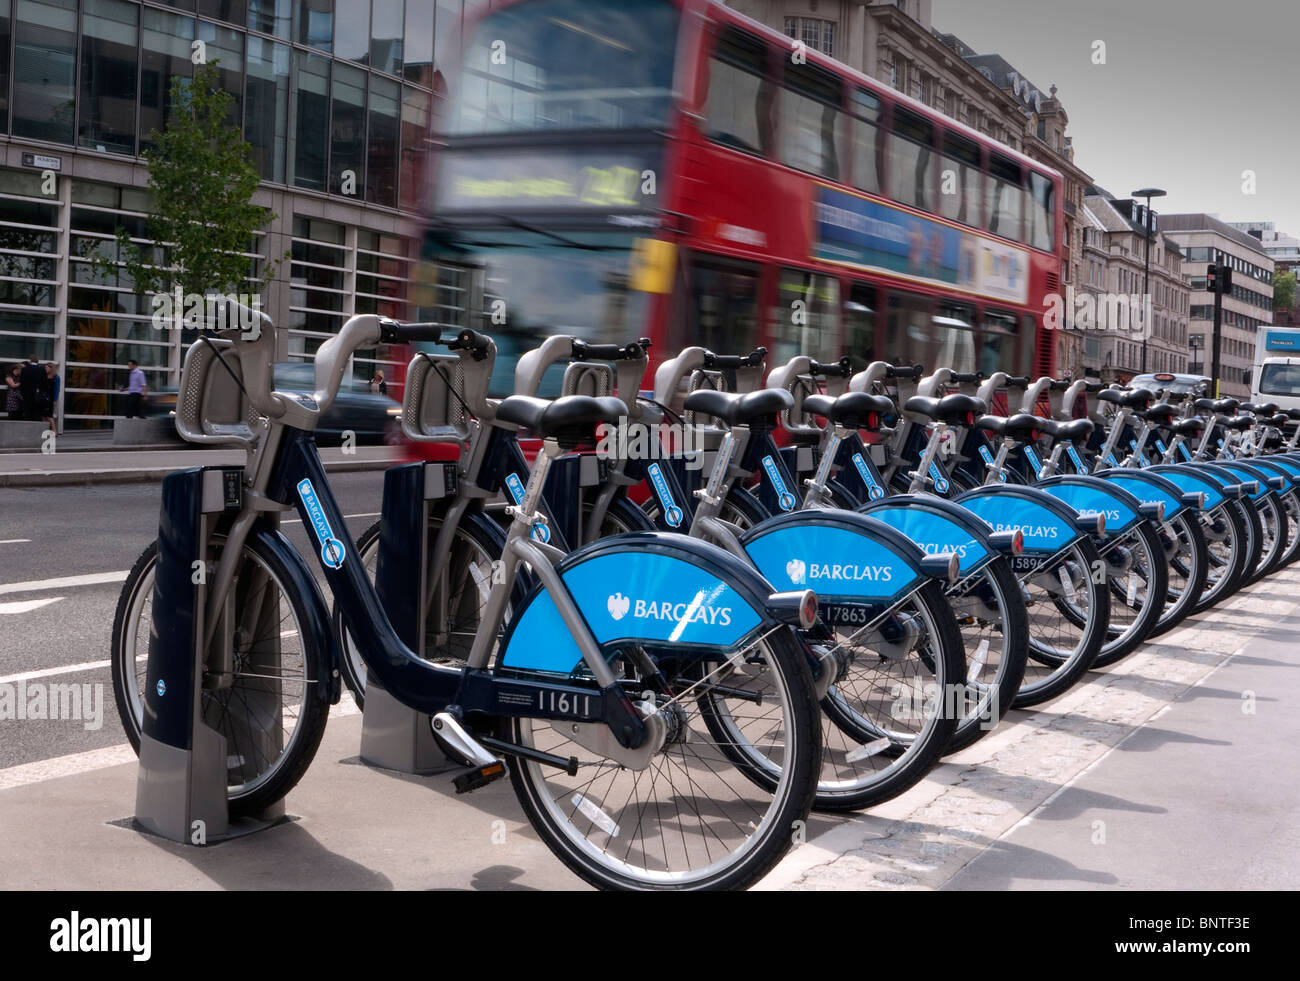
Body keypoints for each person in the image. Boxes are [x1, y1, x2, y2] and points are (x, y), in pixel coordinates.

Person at [19, 356, 45, 422]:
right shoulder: (41, 369)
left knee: (28, 411)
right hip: (38, 393)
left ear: (30, 361)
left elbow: (22, 382)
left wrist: (22, 393)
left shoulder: (25, 369)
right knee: (37, 411)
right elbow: (44, 382)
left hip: (27, 393)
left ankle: (27, 425)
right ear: (37, 361)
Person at [40, 361, 60, 434]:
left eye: (47, 368)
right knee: (43, 415)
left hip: (50, 399)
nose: (45, 369)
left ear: (51, 368)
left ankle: (54, 431)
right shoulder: (44, 376)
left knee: (49, 415)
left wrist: (55, 400)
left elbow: (57, 390)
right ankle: (46, 430)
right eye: (45, 367)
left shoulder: (56, 377)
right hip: (43, 398)